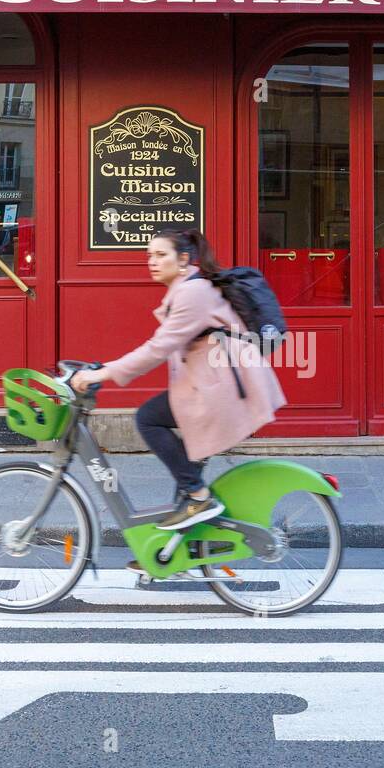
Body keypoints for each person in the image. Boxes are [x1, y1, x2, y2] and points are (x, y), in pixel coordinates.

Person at [70, 229, 287, 557]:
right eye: (149, 256)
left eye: (161, 255)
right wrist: (105, 368)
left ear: (184, 259)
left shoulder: (193, 294)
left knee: (149, 419)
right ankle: (170, 553)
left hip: (222, 390)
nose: (152, 262)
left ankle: (199, 498)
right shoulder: (186, 290)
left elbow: (158, 349)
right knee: (185, 466)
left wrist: (103, 373)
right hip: (214, 386)